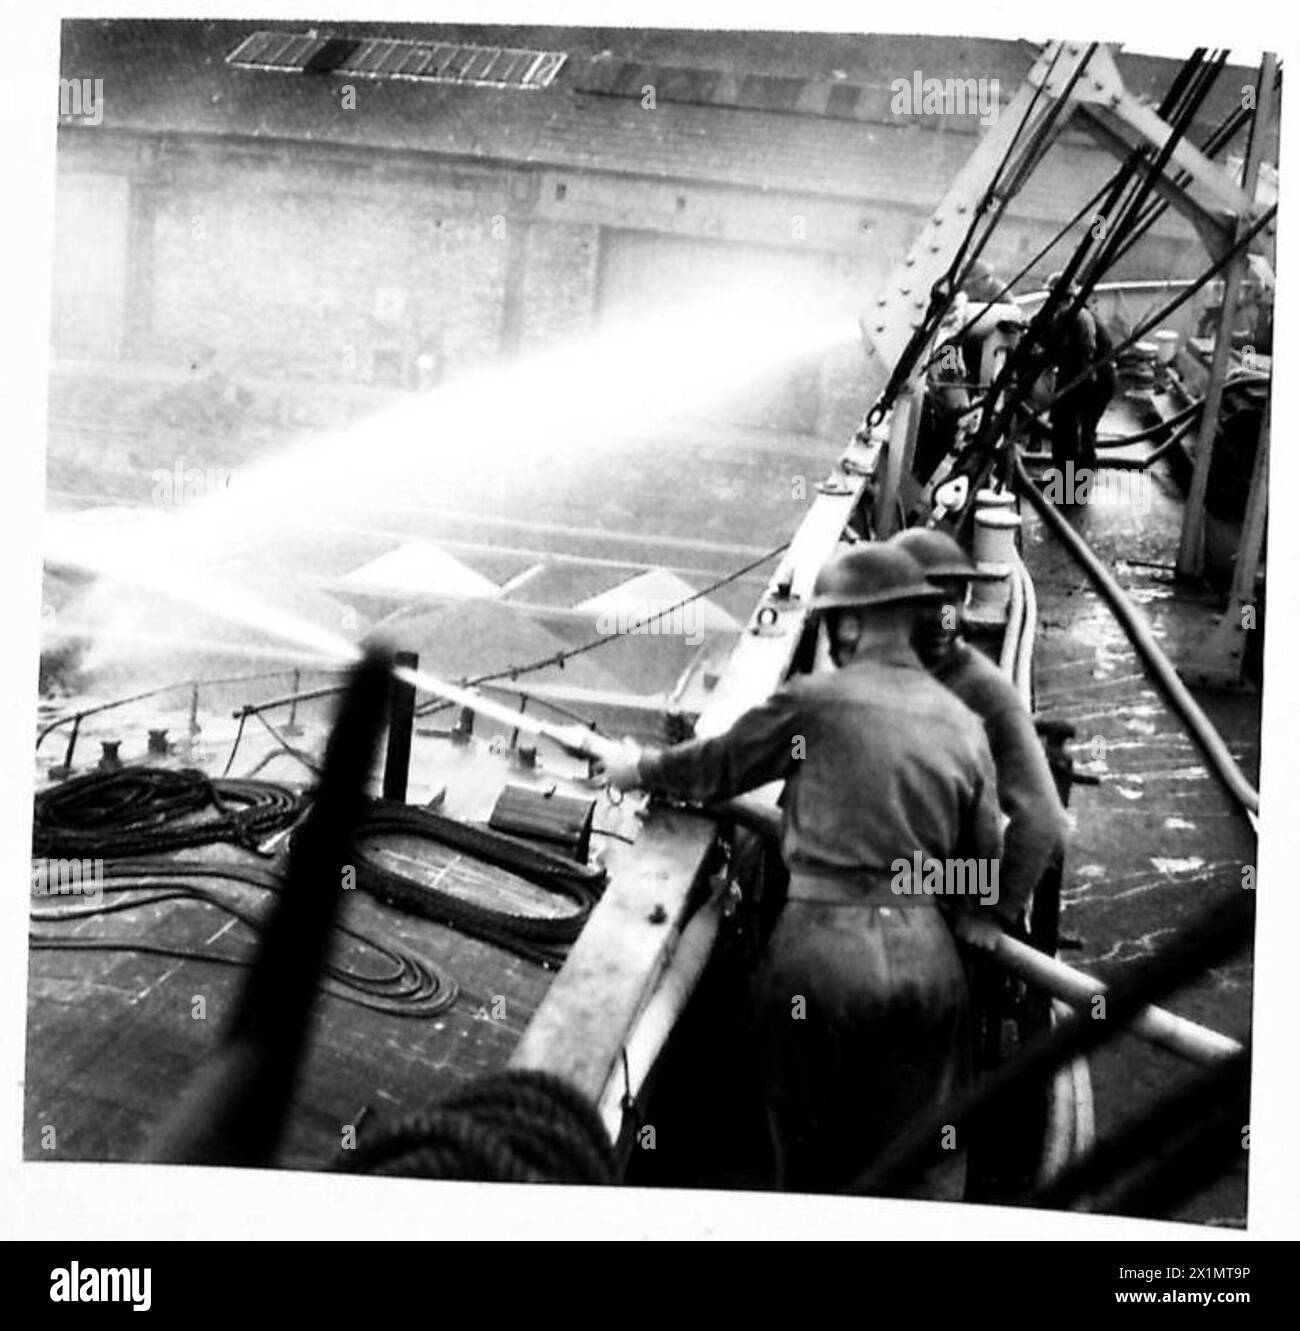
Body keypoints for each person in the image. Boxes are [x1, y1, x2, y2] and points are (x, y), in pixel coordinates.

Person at [595, 544, 1004, 1197]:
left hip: (820, 956)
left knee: (809, 1155)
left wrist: (637, 767)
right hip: (929, 963)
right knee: (919, 1154)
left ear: (850, 624)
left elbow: (717, 767)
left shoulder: (815, 703)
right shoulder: (965, 723)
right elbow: (985, 867)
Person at [889, 527, 1069, 923]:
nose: (942, 617)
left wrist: (994, 913)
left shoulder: (983, 693)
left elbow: (1044, 820)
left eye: (952, 600)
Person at [1043, 271, 1117, 478]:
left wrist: (1067, 390)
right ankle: (1072, 479)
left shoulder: (1079, 317)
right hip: (1089, 377)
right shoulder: (1067, 314)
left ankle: (1075, 483)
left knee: (1074, 429)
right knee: (1071, 428)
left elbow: (1084, 355)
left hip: (1095, 380)